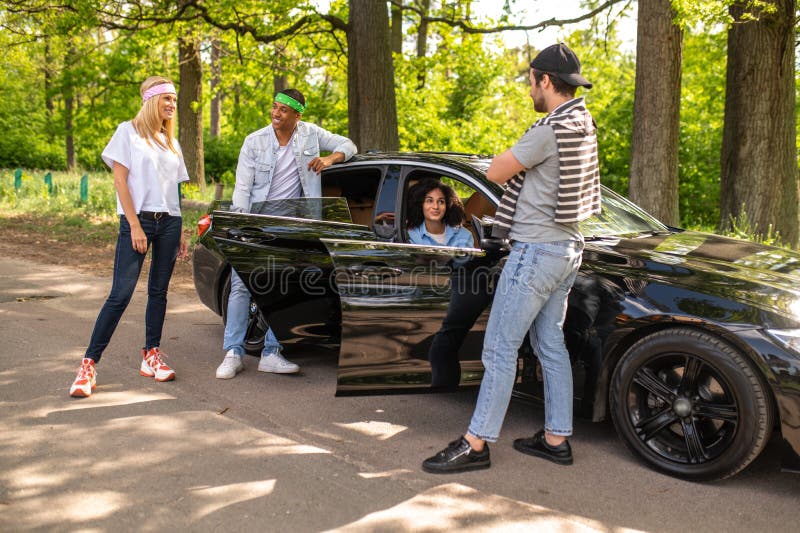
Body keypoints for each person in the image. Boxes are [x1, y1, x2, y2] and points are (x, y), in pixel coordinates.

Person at [422, 43, 601, 472]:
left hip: (536, 252)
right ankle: (556, 439)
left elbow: (495, 171)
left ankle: (475, 444)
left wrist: (520, 147)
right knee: (550, 344)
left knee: (499, 348)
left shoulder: (548, 130)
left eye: (531, 81)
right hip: (567, 249)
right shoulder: (583, 125)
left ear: (545, 80)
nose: (529, 88)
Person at [215, 88, 357, 379]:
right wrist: (242, 227)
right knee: (243, 286)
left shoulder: (311, 134)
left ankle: (271, 353)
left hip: (293, 226)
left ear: (297, 115)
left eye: (283, 109)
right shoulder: (254, 142)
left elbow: (349, 145)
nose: (275, 113)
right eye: (274, 107)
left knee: (284, 289)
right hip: (257, 223)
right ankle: (233, 353)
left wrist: (330, 159)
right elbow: (242, 188)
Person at [69, 76, 190, 398]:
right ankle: (88, 365)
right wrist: (135, 225)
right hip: (138, 221)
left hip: (170, 222)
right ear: (151, 100)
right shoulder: (128, 132)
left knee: (158, 292)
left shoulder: (171, 142)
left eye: (174, 99)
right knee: (120, 294)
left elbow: (174, 189)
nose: (172, 104)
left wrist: (181, 229)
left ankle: (151, 355)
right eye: (166, 98)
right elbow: (120, 182)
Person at [405, 179, 488, 388]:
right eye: (429, 200)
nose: (435, 206)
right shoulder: (409, 235)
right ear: (420, 204)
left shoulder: (463, 234)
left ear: (448, 205)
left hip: (460, 295)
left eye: (441, 201)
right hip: (428, 296)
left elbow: (466, 268)